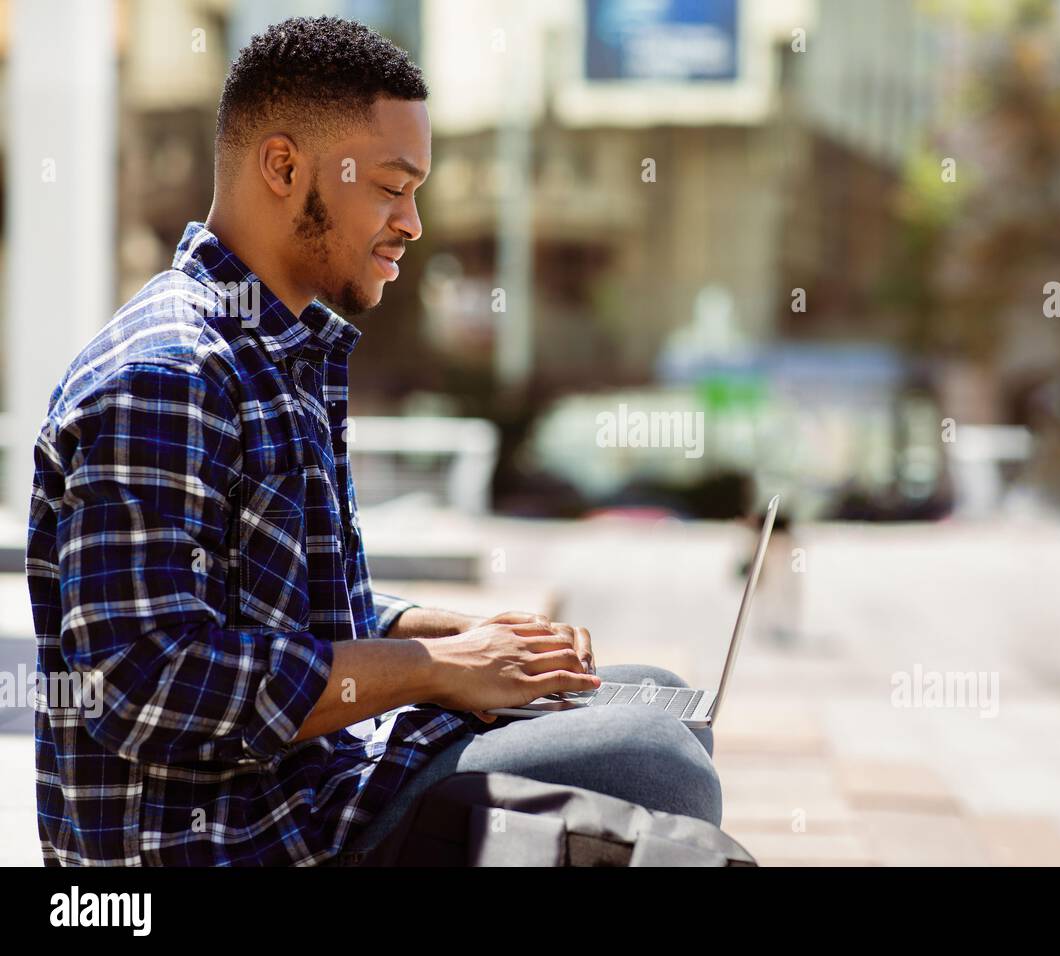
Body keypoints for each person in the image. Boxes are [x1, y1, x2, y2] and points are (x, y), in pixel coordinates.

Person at [28, 16, 720, 867]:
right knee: (653, 762)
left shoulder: (277, 351)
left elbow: (292, 609)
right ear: (283, 167)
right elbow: (145, 684)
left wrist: (466, 638)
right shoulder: (165, 375)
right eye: (393, 187)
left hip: (315, 793)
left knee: (658, 699)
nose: (414, 224)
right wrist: (430, 666)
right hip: (231, 843)